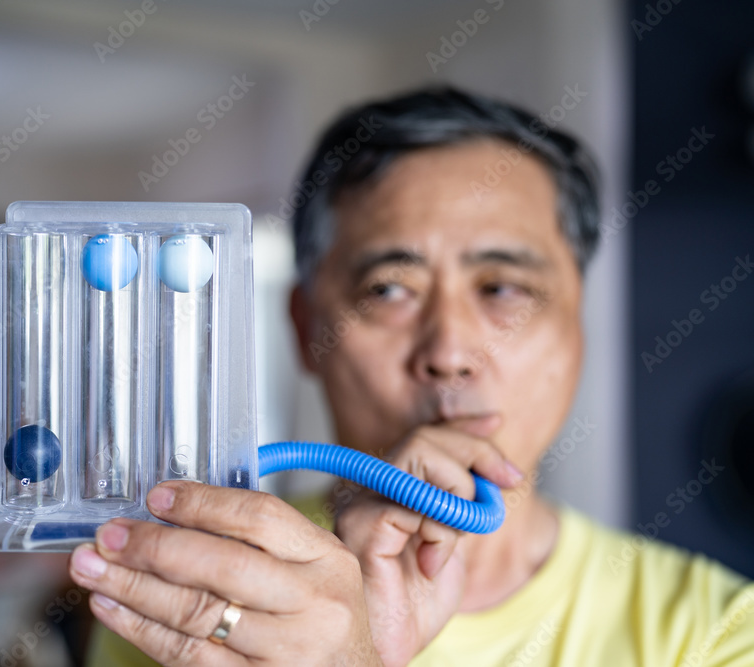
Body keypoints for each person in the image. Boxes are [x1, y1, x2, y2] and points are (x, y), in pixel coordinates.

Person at [67, 87, 754, 666]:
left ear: (579, 322)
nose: (449, 350)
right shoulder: (185, 590)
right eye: (390, 290)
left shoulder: (718, 629)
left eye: (504, 288)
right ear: (307, 328)